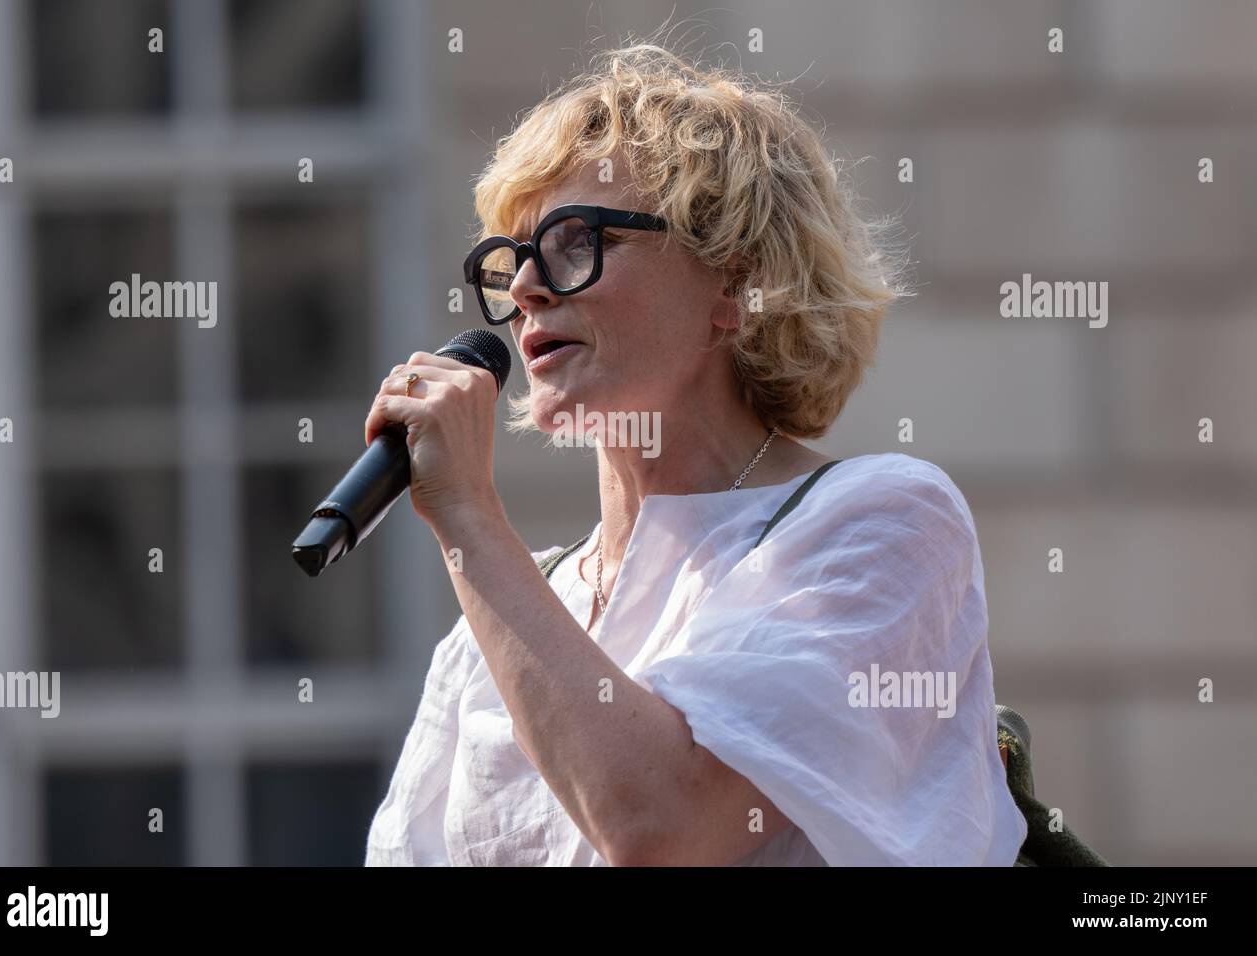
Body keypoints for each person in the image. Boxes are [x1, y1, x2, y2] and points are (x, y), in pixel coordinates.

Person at [362, 42, 1027, 866]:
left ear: (734, 287)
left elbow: (661, 827)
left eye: (575, 241)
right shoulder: (493, 630)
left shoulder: (880, 520)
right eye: (515, 259)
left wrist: (465, 514)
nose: (528, 287)